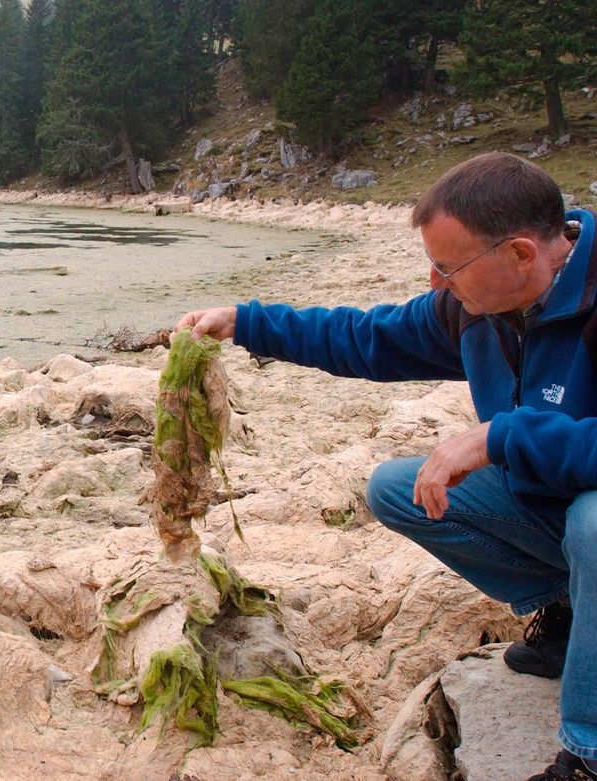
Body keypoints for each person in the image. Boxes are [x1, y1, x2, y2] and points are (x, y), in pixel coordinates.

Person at [175, 152, 595, 781]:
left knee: (594, 523)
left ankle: (586, 751)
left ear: (520, 255)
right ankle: (568, 606)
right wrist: (247, 322)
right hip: (549, 503)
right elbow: (367, 337)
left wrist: (501, 437)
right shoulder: (474, 308)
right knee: (396, 489)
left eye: (449, 266)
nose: (435, 282)